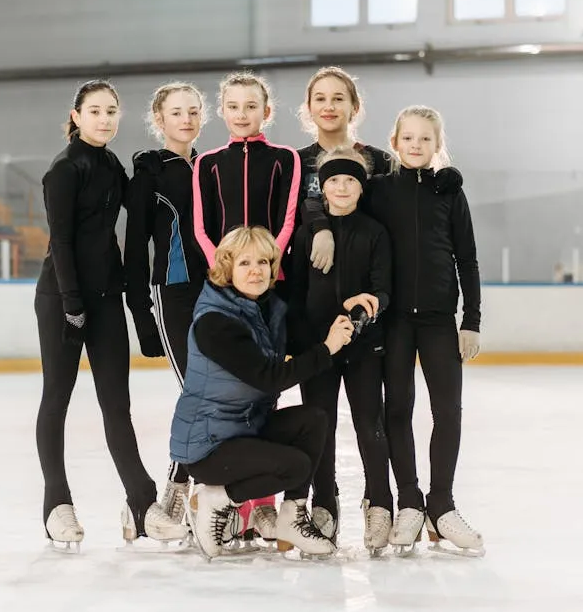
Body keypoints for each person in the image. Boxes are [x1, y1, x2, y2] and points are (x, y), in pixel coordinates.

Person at [301, 105, 484, 556]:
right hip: (395, 320)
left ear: (437, 144)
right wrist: (321, 227)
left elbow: (468, 258)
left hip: (440, 320)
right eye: (408, 138)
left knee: (448, 411)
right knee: (395, 411)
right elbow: (330, 198)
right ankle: (409, 502)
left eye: (425, 139)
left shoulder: (449, 193)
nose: (416, 145)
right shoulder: (379, 190)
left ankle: (442, 505)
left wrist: (471, 319)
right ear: (395, 143)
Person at [34, 79, 186, 549]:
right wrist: (73, 303)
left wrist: (151, 166)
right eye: (95, 111)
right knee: (57, 397)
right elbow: (60, 240)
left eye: (112, 112)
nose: (104, 119)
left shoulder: (108, 162)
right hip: (64, 298)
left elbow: (136, 202)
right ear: (76, 116)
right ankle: (57, 505)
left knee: (116, 404)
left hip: (105, 300)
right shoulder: (64, 170)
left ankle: (141, 503)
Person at [169, 226, 354, 559]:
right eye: (244, 263)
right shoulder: (216, 322)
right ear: (227, 268)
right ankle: (217, 498)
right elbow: (269, 378)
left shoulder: (265, 308)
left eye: (263, 262)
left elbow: (300, 343)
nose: (255, 270)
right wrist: (327, 348)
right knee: (295, 466)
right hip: (209, 446)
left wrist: (345, 314)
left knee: (313, 420)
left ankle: (291, 519)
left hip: (245, 428)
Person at [191, 71, 302, 539]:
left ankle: (262, 504)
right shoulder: (207, 164)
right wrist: (229, 271)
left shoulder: (285, 159)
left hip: (270, 287)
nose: (241, 114)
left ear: (266, 111)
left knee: (265, 389)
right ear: (223, 111)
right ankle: (230, 501)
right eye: (233, 106)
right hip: (224, 286)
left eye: (251, 106)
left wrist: (263, 269)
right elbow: (202, 225)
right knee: (230, 391)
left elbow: (288, 218)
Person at [287, 146, 394, 555]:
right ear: (323, 187)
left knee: (370, 422)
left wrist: (365, 313)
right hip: (318, 347)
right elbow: (294, 295)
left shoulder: (375, 233)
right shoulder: (307, 233)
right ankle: (324, 501)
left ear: (362, 188)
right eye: (334, 180)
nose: (343, 187)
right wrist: (297, 342)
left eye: (351, 180)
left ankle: (379, 500)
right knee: (320, 423)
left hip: (363, 345)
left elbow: (384, 289)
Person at [124, 82, 208, 524]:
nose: (186, 120)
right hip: (172, 291)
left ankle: (195, 485)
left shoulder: (211, 167)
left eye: (193, 111)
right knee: (196, 390)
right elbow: (134, 250)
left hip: (215, 291)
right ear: (160, 120)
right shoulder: (149, 173)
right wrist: (141, 315)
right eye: (177, 113)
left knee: (215, 390)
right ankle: (177, 486)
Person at [294, 66, 392, 277]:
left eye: (338, 99)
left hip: (366, 277)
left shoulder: (380, 162)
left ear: (355, 107)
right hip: (312, 280)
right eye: (320, 99)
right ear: (309, 108)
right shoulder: (295, 162)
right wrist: (321, 227)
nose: (328, 107)